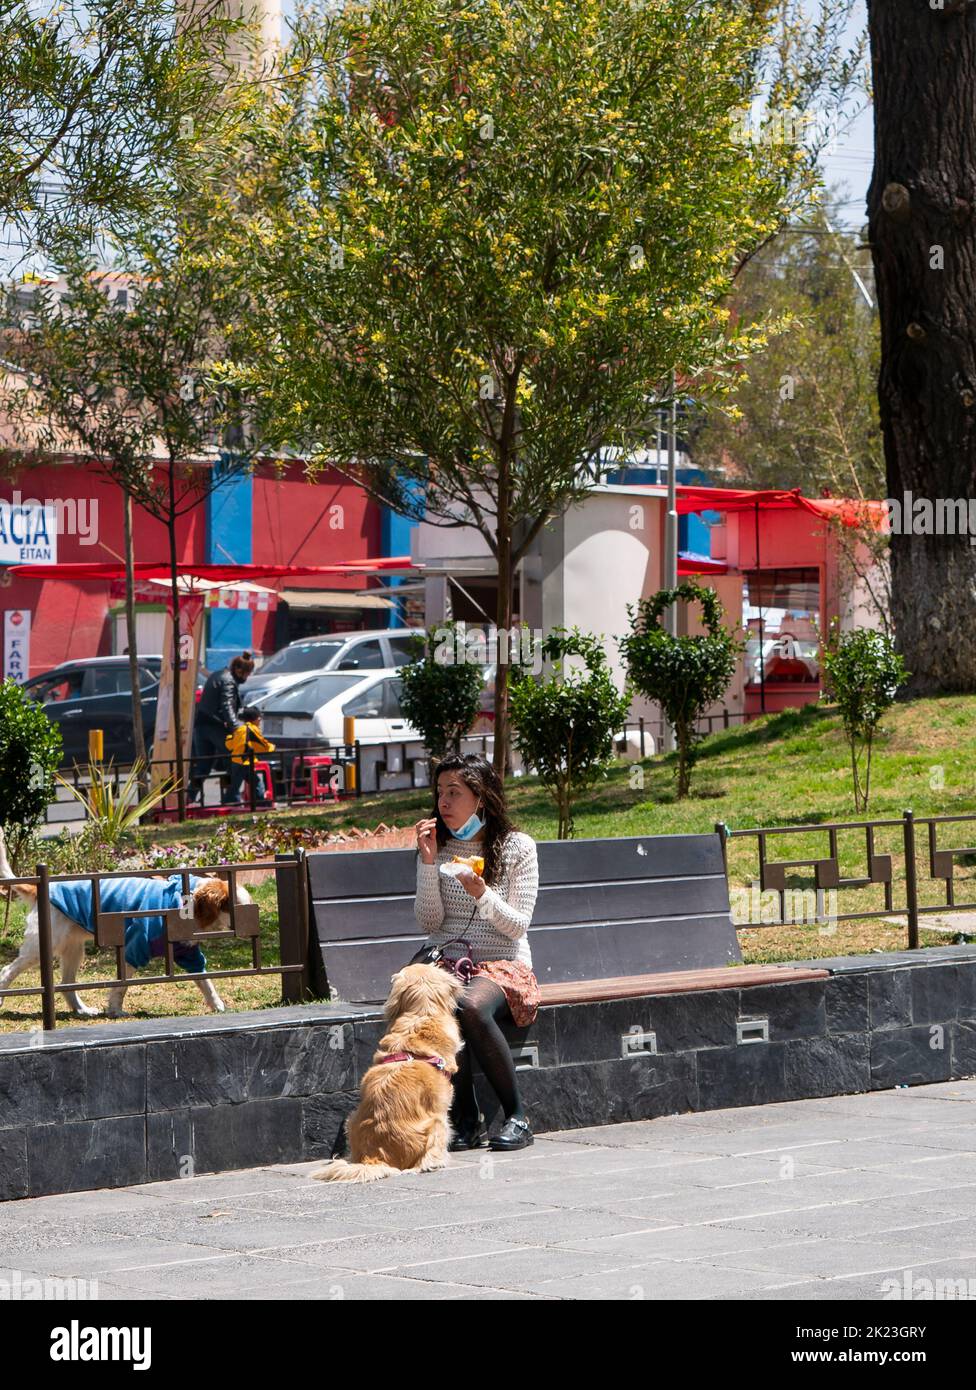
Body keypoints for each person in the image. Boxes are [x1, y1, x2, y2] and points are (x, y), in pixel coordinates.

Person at [414, 751, 541, 1152]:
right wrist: (428, 862)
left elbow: (517, 926)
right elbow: (430, 923)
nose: (444, 803)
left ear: (481, 798)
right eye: (440, 793)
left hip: (503, 963)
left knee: (468, 1005)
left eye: (455, 793)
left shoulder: (516, 847)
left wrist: (482, 893)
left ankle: (518, 1116)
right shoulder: (441, 845)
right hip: (448, 958)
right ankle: (466, 1120)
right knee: (440, 1002)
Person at [189, 652, 255, 805]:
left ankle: (189, 797)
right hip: (215, 727)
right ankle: (231, 798)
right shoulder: (229, 681)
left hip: (201, 726)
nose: (247, 678)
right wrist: (236, 727)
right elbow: (226, 706)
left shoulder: (218, 674)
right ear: (240, 671)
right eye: (247, 674)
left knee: (204, 766)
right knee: (239, 757)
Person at [225, 705, 275, 805]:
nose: (260, 720)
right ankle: (258, 805)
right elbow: (263, 744)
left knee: (239, 784)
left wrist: (229, 736)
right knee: (251, 784)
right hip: (245, 761)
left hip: (236, 760)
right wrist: (272, 747)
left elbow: (229, 745)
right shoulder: (253, 729)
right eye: (259, 718)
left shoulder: (240, 729)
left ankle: (232, 804)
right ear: (255, 719)